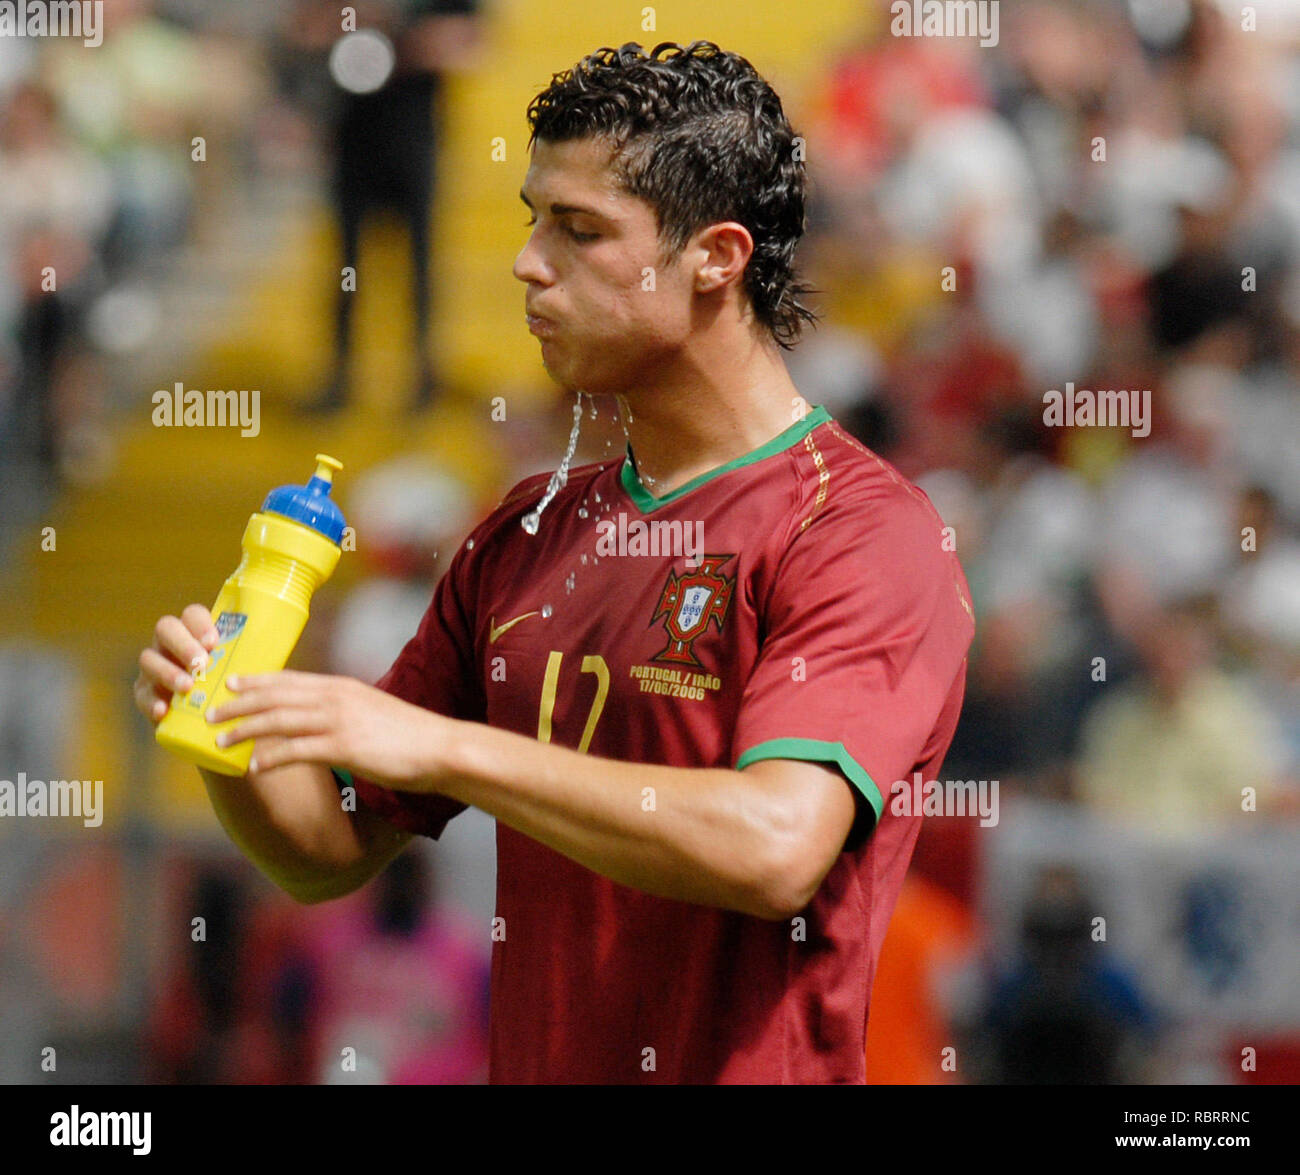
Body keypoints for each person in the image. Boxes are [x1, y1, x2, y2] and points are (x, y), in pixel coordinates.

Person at [134, 41, 975, 1084]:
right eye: (534, 217)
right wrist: (229, 728)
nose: (530, 261)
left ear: (715, 255)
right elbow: (327, 848)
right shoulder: (521, 533)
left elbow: (776, 847)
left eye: (579, 231)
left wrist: (444, 747)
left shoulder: (857, 530)